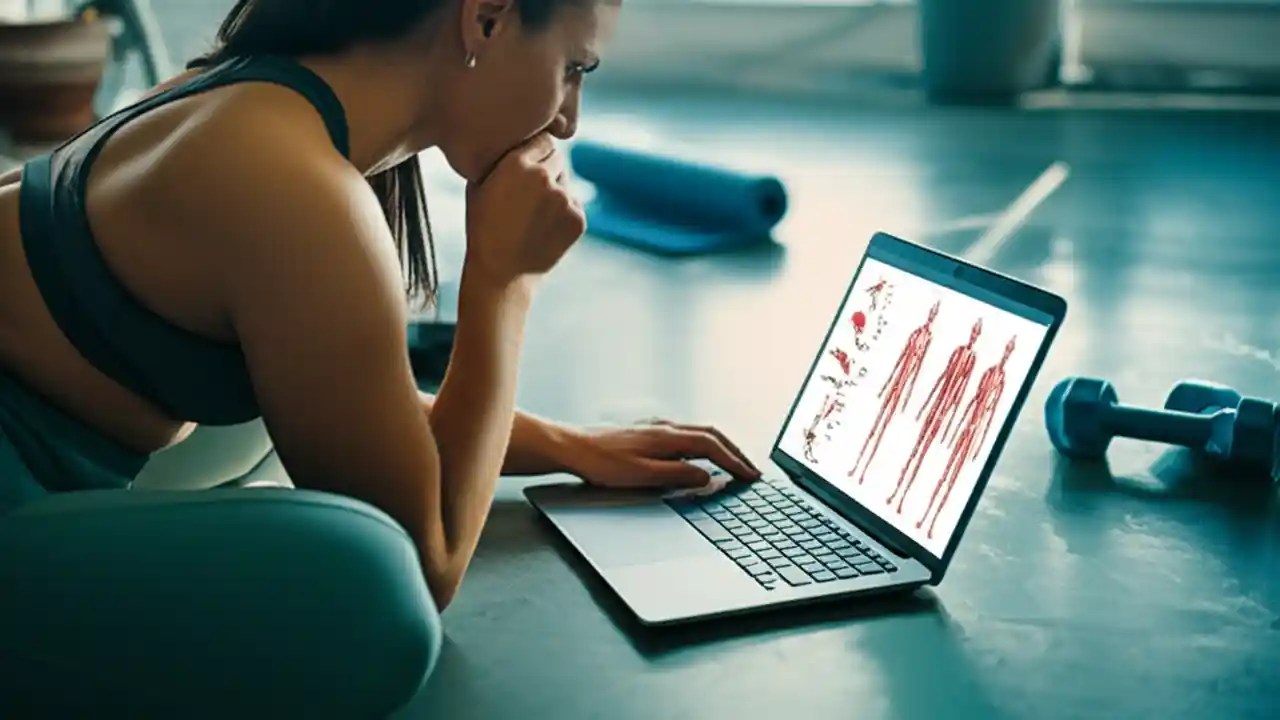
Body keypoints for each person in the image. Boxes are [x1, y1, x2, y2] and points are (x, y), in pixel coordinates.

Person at [0, 0, 762, 715]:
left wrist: (571, 446)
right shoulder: (292, 185)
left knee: (257, 424)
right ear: (487, 17)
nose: (568, 120)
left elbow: (345, 394)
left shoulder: (253, 95)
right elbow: (429, 567)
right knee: (373, 587)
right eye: (573, 69)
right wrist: (505, 286)